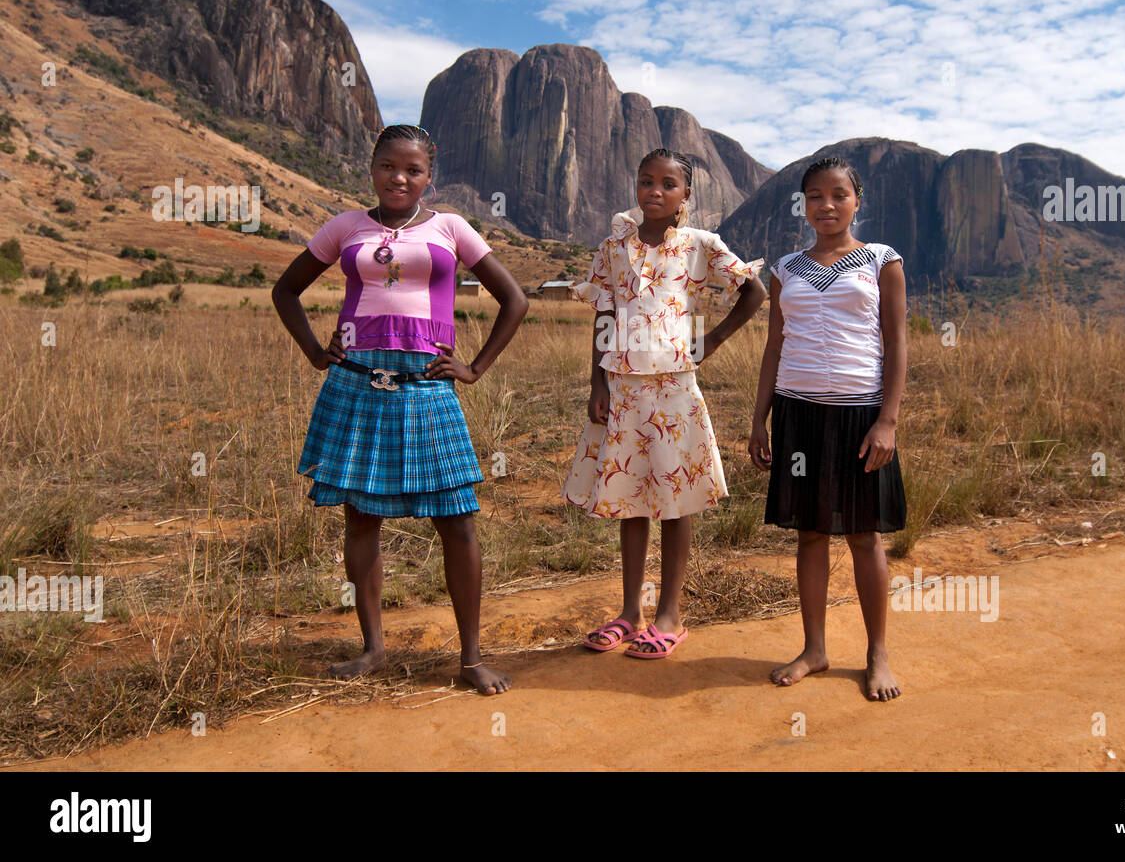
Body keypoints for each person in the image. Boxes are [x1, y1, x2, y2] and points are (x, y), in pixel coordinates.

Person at [272, 124, 528, 694]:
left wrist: (475, 367)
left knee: (458, 522)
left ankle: (469, 658)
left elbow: (515, 299)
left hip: (427, 387)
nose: (400, 178)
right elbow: (285, 290)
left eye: (412, 170)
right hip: (357, 383)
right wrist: (317, 351)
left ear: (428, 178)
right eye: (389, 166)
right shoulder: (344, 227)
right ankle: (373, 649)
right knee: (361, 518)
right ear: (372, 168)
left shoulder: (451, 229)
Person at [564, 148, 766, 658]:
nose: (655, 191)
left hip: (674, 387)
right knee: (630, 499)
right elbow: (604, 313)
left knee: (676, 502)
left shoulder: (701, 245)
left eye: (667, 184)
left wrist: (711, 340)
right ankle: (630, 613)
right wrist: (598, 383)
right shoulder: (615, 246)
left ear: (686, 194)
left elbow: (754, 290)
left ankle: (669, 615)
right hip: (624, 387)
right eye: (646, 181)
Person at [749, 156, 908, 700]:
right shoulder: (786, 269)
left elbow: (896, 342)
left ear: (856, 201)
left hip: (862, 413)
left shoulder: (881, 261)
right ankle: (814, 649)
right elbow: (774, 346)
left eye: (838, 195)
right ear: (804, 204)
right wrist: (759, 418)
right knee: (811, 532)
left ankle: (877, 654)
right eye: (814, 196)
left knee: (865, 535)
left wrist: (888, 419)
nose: (826, 205)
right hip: (799, 412)